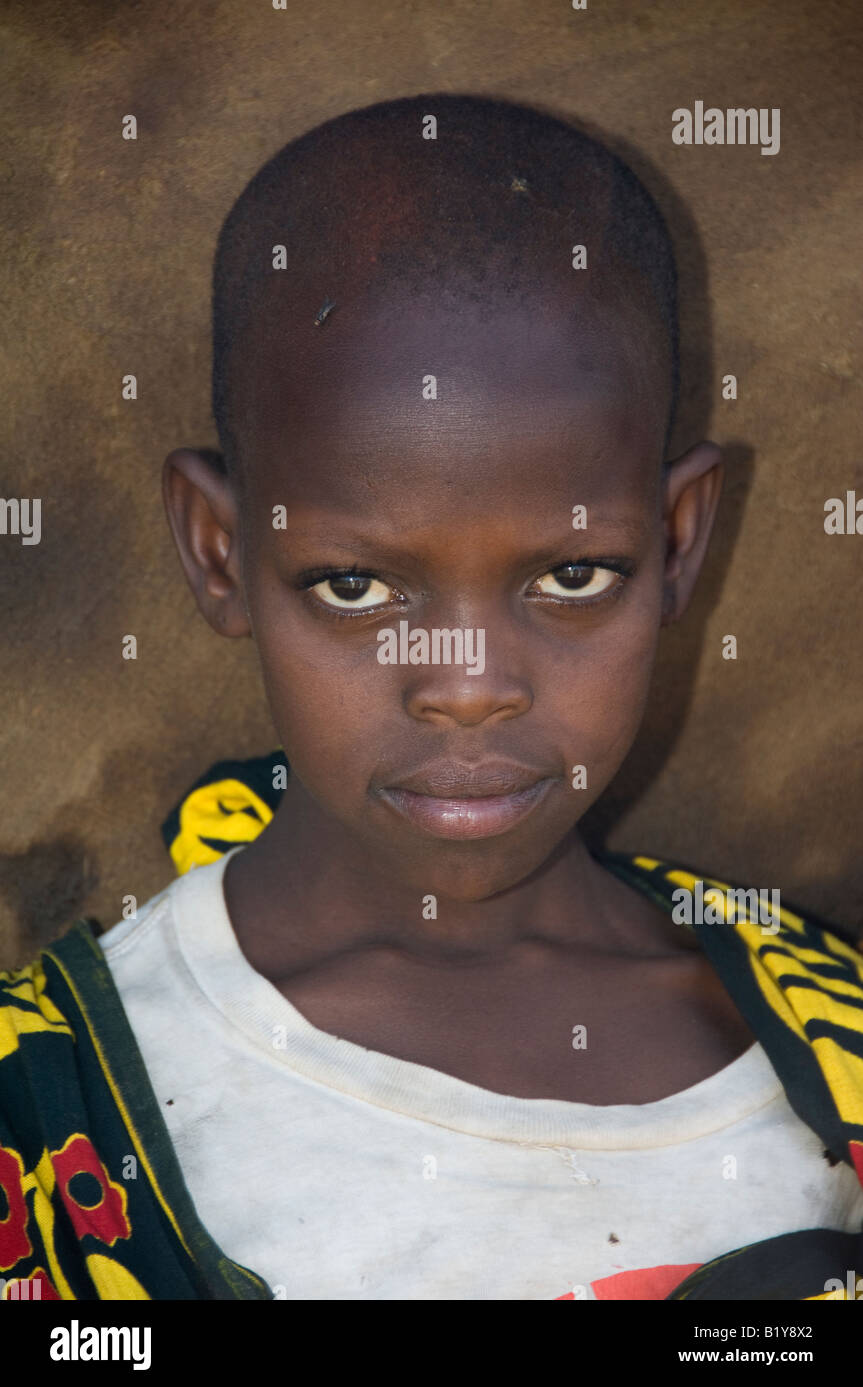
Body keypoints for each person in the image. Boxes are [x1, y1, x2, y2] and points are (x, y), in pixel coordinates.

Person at [2, 93, 862, 1302]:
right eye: (353, 585)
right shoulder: (50, 1106)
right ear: (216, 549)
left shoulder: (822, 1029)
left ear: (677, 541)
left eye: (571, 576)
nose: (467, 688)